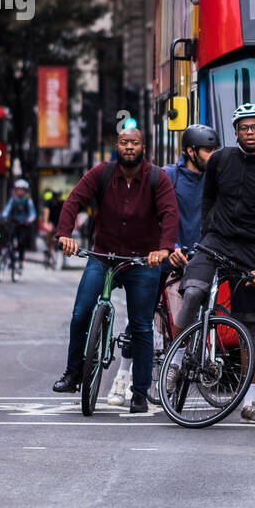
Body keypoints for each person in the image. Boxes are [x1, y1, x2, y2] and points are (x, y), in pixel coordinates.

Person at [176, 105, 255, 424]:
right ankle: (175, 364)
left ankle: (249, 403)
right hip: (215, 242)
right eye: (244, 128)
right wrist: (206, 234)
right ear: (235, 131)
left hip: (252, 253)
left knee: (250, 328)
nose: (250, 132)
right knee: (193, 292)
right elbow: (208, 198)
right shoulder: (220, 161)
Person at [51, 127, 178, 413]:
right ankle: (73, 372)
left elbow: (170, 214)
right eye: (124, 142)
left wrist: (164, 249)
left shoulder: (158, 178)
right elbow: (74, 201)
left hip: (142, 261)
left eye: (134, 143)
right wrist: (64, 234)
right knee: (81, 311)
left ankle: (140, 393)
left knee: (142, 325)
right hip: (103, 256)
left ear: (144, 148)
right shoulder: (102, 173)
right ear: (116, 146)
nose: (129, 147)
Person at [104, 123, 219, 407]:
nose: (212, 155)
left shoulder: (215, 180)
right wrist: (171, 247)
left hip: (199, 256)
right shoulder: (168, 176)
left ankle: (174, 369)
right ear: (191, 151)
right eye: (207, 150)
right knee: (140, 316)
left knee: (188, 316)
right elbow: (153, 216)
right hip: (162, 255)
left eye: (215, 149)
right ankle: (122, 376)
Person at [2, 179, 37, 265]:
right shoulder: (13, 199)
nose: (19, 191)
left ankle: (21, 260)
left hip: (24, 224)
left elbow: (33, 213)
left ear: (25, 191)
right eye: (18, 189)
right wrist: (4, 215)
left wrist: (30, 219)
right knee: (9, 237)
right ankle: (9, 253)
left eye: (21, 190)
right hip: (15, 222)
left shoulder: (28, 200)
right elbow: (7, 209)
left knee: (21, 242)